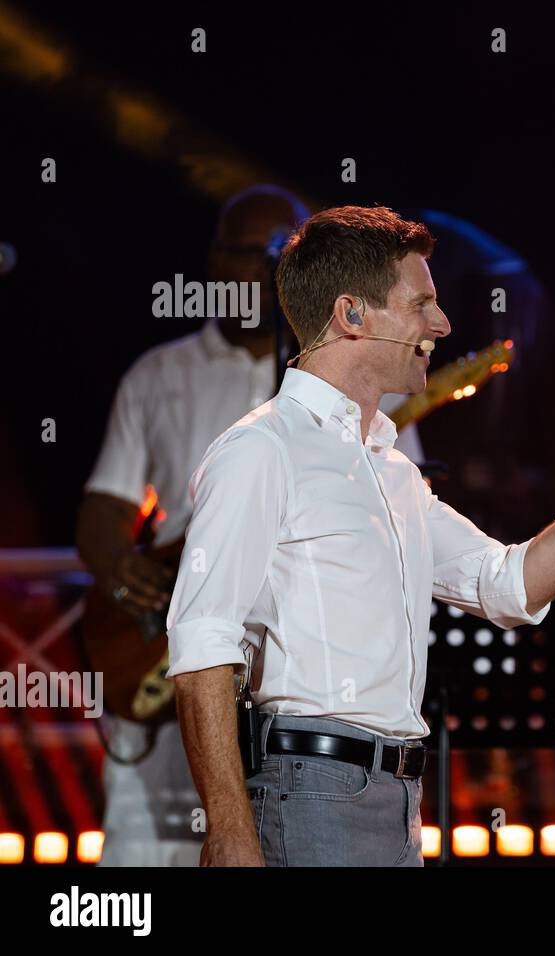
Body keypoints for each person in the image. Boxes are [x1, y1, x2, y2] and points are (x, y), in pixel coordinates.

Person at [165, 205, 555, 866]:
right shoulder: (262, 449)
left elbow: (509, 587)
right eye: (422, 305)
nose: (441, 325)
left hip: (396, 800)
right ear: (351, 314)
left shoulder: (391, 469)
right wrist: (229, 830)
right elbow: (200, 645)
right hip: (309, 793)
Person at [73, 185, 421, 866]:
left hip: (296, 699)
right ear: (213, 260)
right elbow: (102, 511)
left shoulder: (353, 383)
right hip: (182, 656)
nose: (265, 270)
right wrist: (126, 571)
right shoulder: (160, 374)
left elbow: (404, 522)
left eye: (283, 252)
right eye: (250, 253)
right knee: (153, 853)